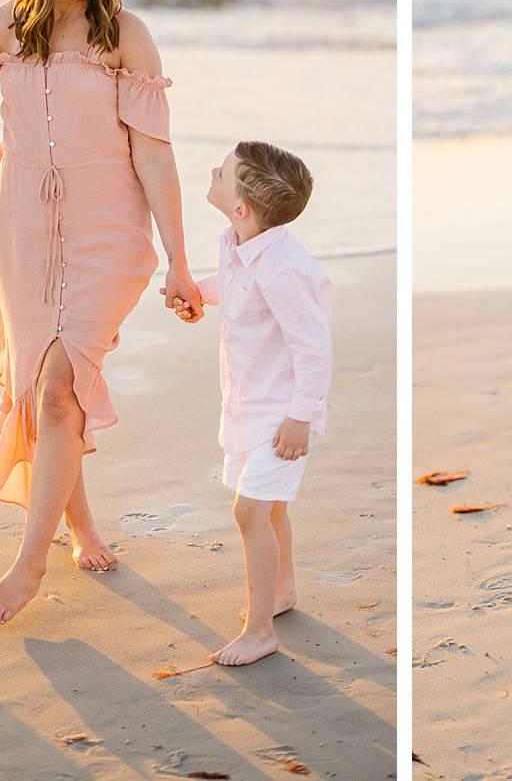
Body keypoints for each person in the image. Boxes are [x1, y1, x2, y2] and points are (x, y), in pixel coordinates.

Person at [0, 0, 201, 624]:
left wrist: (178, 259)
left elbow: (155, 157)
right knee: (48, 387)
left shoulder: (125, 34)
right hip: (22, 225)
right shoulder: (7, 27)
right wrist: (7, 165)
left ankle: (28, 566)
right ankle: (80, 526)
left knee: (61, 375)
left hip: (108, 229)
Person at [167, 141, 332, 667]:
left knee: (249, 513)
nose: (213, 171)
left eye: (225, 172)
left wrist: (301, 416)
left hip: (281, 414)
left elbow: (313, 346)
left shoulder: (283, 267)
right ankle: (282, 592)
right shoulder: (238, 241)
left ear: (242, 207)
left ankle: (260, 628)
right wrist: (199, 293)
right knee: (271, 506)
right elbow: (238, 288)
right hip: (246, 402)